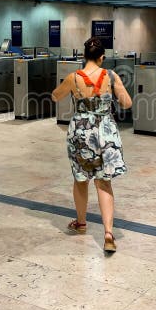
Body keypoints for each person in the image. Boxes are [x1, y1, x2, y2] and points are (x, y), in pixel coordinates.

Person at [51, 37, 132, 253]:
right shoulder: (111, 76)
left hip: (81, 133)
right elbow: (127, 103)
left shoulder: (73, 77)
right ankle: (108, 234)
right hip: (106, 132)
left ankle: (81, 223)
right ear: (102, 57)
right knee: (104, 182)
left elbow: (55, 96)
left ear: (83, 56)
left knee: (81, 179)